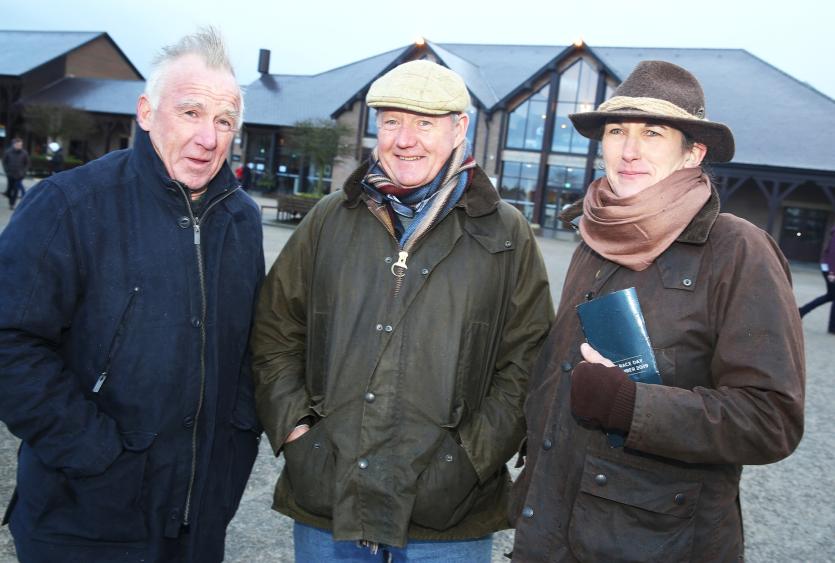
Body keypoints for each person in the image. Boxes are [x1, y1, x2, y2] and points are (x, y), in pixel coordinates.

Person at [251, 59, 553, 561]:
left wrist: (468, 461)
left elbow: (527, 362)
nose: (405, 139)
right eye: (392, 121)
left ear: (459, 129)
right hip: (330, 501)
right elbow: (275, 334)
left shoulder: (506, 234)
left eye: (424, 123)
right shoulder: (329, 219)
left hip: (449, 516)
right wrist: (298, 435)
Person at [509, 61, 805, 561]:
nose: (629, 149)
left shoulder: (737, 249)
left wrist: (632, 407)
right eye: (616, 130)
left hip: (656, 544)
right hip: (552, 532)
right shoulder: (595, 236)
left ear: (693, 152)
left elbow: (771, 420)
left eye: (653, 132)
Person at [0, 28, 264, 562]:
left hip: (196, 525)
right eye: (191, 112)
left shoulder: (242, 220)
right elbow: (9, 343)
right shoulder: (69, 206)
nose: (208, 137)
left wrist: (234, 450)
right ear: (145, 112)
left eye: (224, 121)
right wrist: (97, 454)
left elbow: (247, 353)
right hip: (82, 519)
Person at [799, 225, 835, 333]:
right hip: (830, 269)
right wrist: (832, 272)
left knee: (831, 296)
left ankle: (802, 311)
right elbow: (833, 254)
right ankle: (832, 327)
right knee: (832, 296)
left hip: (829, 268)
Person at [2, 137, 30, 209]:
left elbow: (27, 163)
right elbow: (4, 162)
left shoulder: (24, 153)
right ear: (14, 144)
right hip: (10, 174)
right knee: (10, 189)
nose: (19, 146)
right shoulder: (8, 152)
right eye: (18, 145)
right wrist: (7, 170)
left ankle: (12, 204)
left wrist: (24, 172)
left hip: (19, 175)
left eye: (20, 145)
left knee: (16, 189)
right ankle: (8, 195)